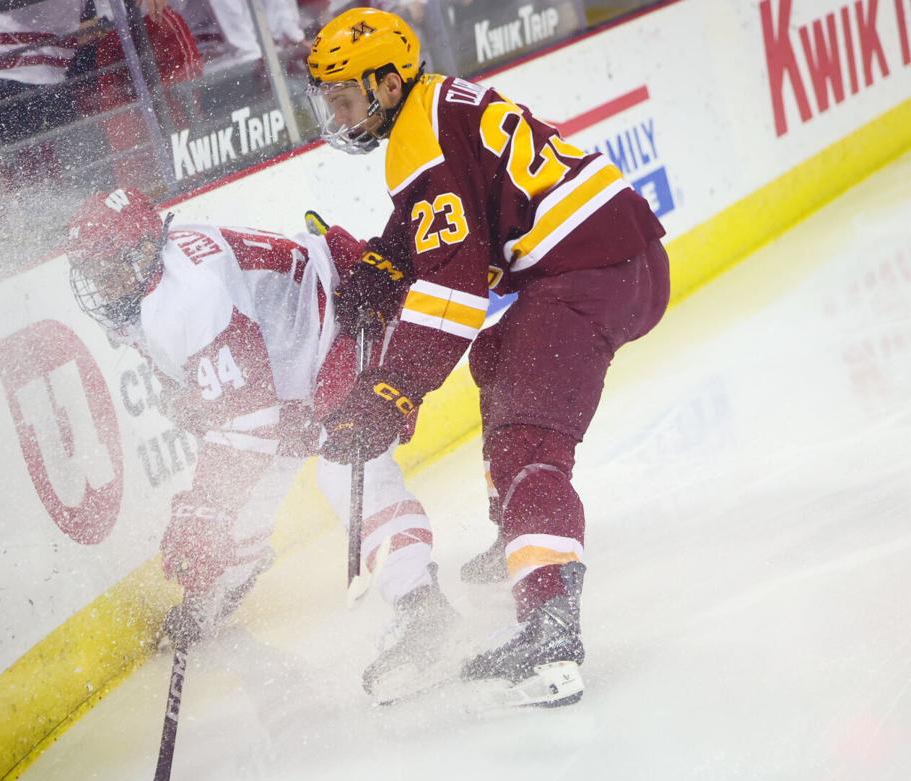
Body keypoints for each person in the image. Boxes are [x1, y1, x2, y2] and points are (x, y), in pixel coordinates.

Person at [305, 8, 669, 706]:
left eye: (344, 97)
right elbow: (451, 212)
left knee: (529, 439)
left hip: (591, 272)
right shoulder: (437, 100)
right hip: (617, 257)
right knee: (499, 358)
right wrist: (390, 258)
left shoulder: (416, 140)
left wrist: (392, 390)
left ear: (385, 84)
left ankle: (550, 628)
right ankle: (517, 533)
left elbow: (453, 287)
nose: (336, 114)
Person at [66, 187, 459, 698]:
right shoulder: (144, 286)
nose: (99, 283)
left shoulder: (188, 292)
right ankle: (218, 592)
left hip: (345, 325)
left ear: (142, 249)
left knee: (344, 470)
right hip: (292, 369)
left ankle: (421, 605)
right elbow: (234, 406)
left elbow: (247, 425)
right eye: (90, 272)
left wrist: (203, 514)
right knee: (248, 489)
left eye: (108, 266)